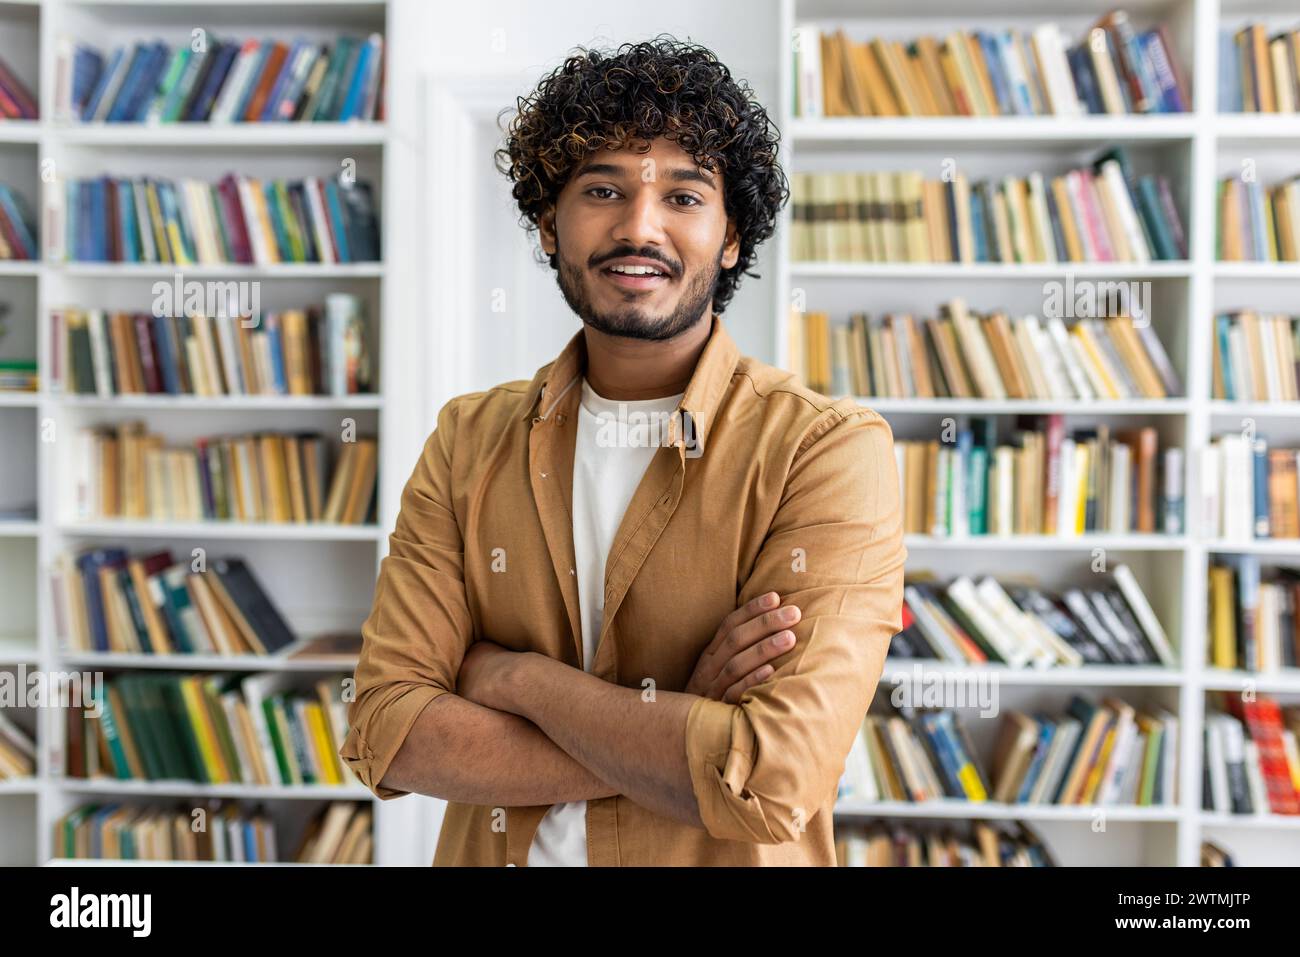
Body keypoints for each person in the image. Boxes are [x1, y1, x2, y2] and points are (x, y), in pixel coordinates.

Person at [340, 35, 906, 866]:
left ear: (733, 236)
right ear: (548, 225)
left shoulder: (825, 451)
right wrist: (678, 717)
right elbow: (388, 732)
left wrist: (513, 680)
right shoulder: (467, 440)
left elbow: (772, 779)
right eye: (602, 189)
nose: (639, 227)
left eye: (684, 196)